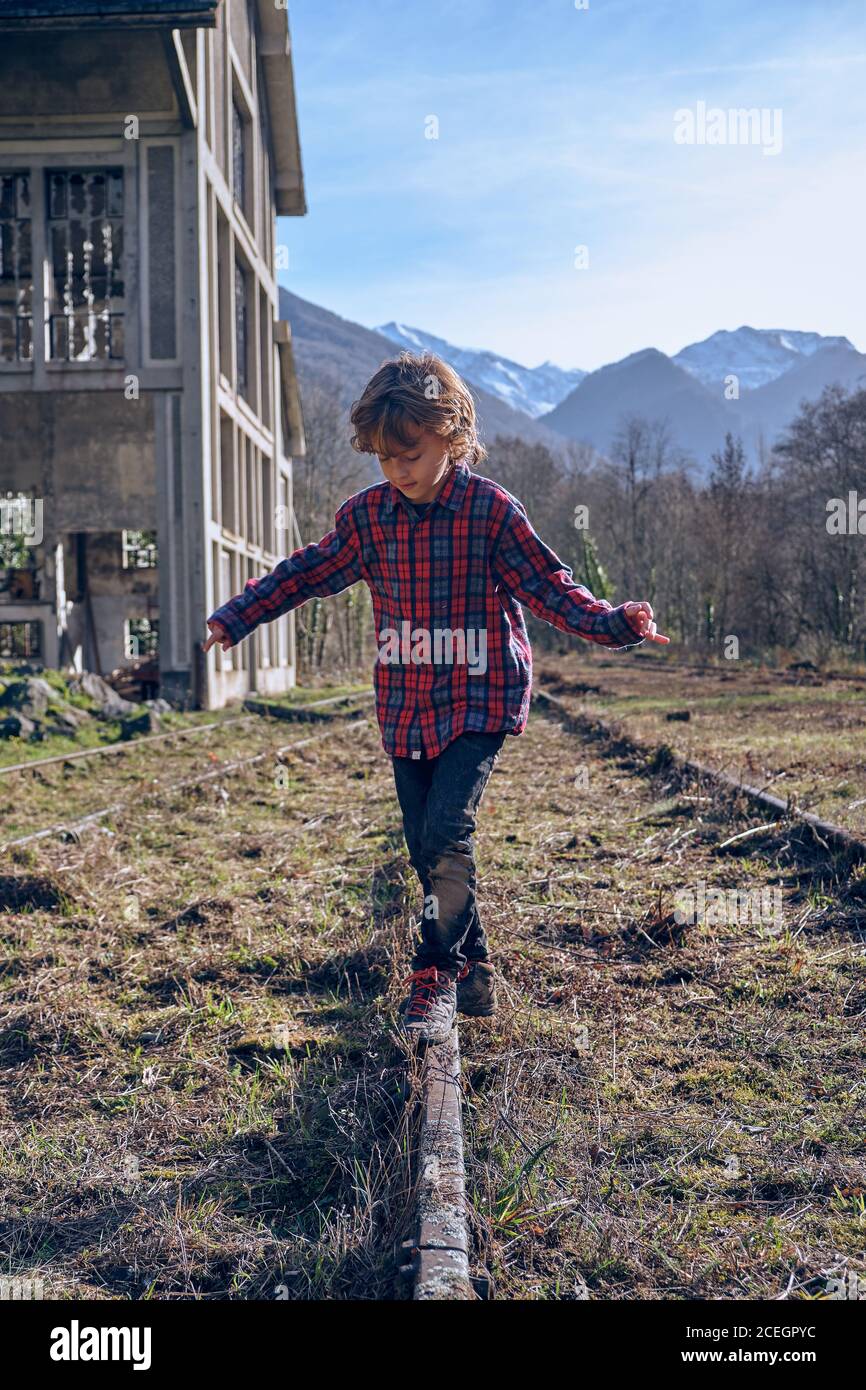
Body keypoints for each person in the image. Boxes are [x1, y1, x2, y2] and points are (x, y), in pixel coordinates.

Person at [203, 351, 669, 1044]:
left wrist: (614, 623)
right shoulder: (367, 519)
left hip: (480, 698)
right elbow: (305, 573)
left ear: (453, 436)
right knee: (425, 847)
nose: (399, 472)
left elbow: (550, 587)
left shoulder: (491, 513)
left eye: (412, 455)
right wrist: (235, 617)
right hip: (406, 703)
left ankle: (434, 973)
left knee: (448, 833)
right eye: (385, 459)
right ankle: (474, 960)